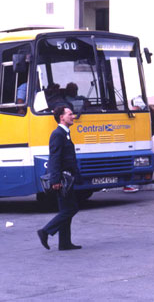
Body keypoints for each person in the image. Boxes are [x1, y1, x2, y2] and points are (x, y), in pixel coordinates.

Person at [37, 105, 82, 251]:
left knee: (66, 209)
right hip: (62, 180)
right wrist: (55, 181)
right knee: (71, 208)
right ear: (61, 117)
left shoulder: (65, 133)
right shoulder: (58, 134)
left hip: (66, 178)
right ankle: (45, 231)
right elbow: (54, 158)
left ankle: (64, 243)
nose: (73, 116)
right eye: (70, 114)